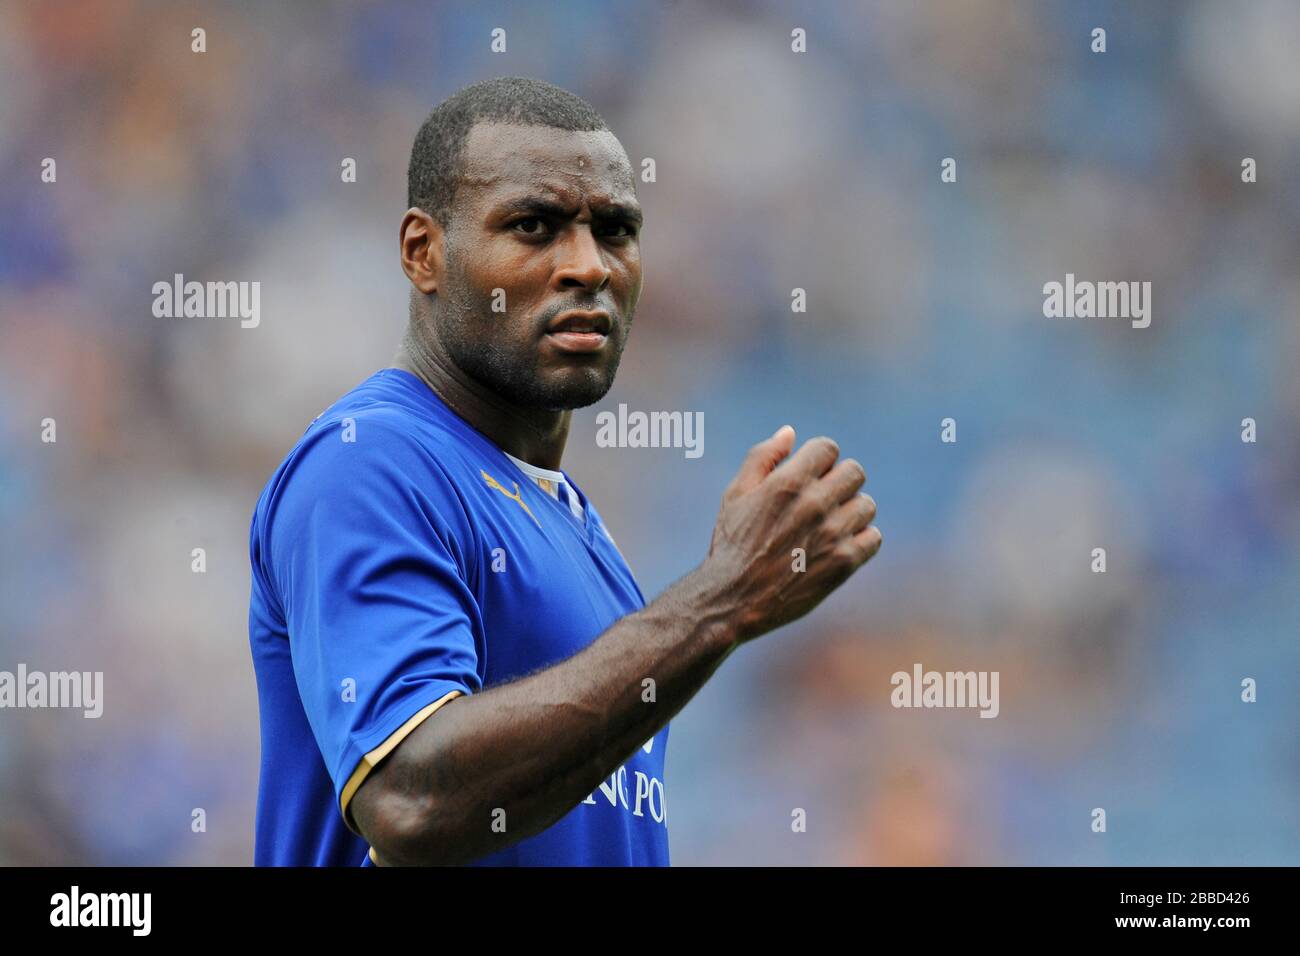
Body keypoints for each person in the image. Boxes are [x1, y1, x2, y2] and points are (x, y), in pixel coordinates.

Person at [247, 76, 882, 866]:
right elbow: (412, 800)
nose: (589, 266)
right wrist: (722, 598)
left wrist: (715, 605)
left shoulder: (582, 535)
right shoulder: (371, 463)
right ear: (424, 252)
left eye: (615, 231)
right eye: (534, 225)